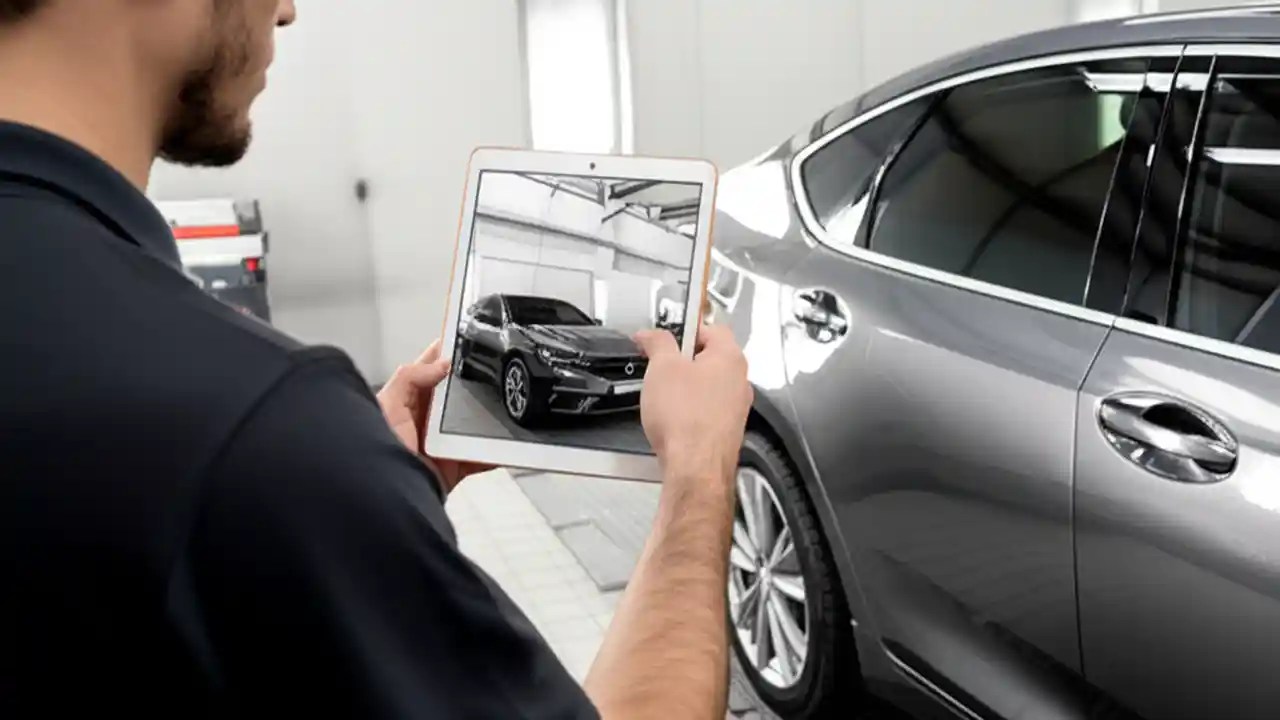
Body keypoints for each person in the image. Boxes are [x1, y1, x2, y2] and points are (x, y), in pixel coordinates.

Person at [0, 1, 752, 718]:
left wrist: (346, 502)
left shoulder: (247, 439)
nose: (287, 10)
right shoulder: (258, 425)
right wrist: (700, 474)